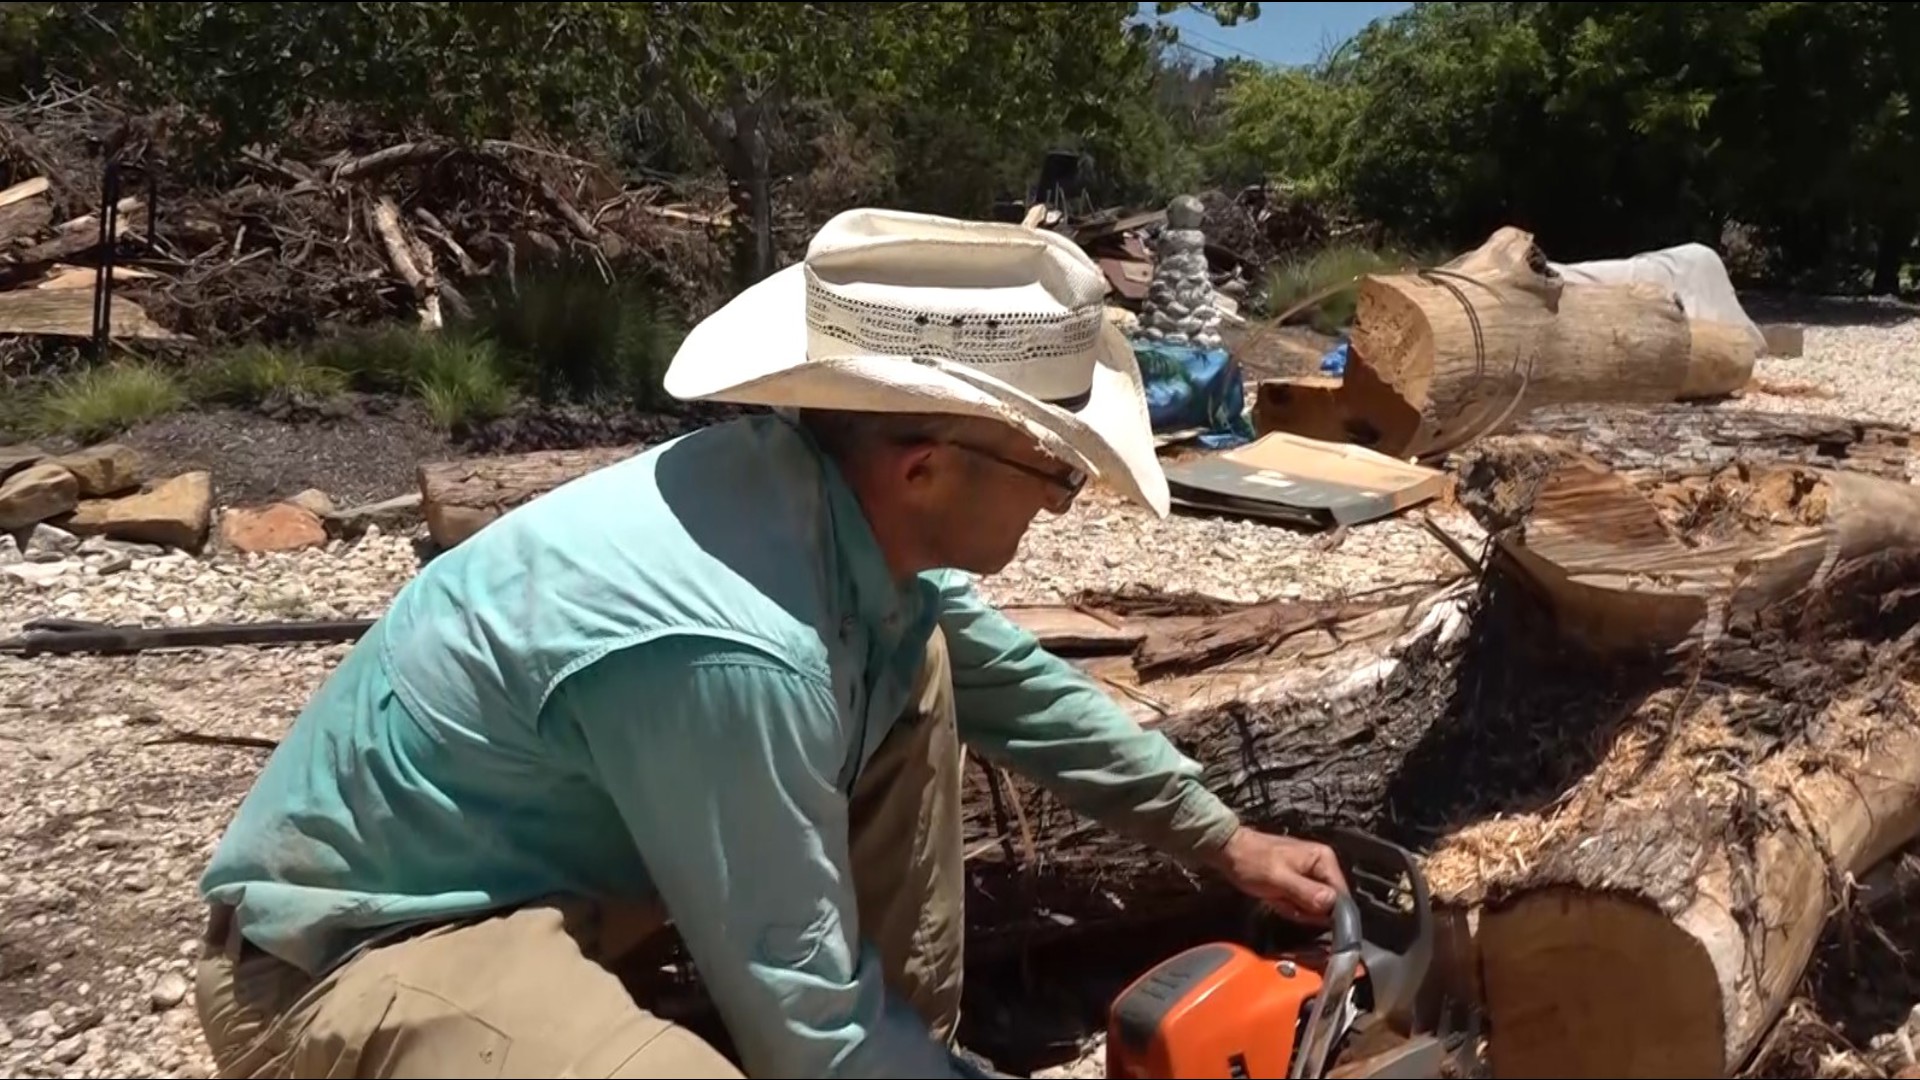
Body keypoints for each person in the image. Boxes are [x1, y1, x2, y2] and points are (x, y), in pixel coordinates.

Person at [190, 207, 1348, 1079]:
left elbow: (1017, 684)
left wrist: (1221, 838)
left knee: (933, 672)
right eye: (1053, 469)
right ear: (924, 466)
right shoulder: (741, 648)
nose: (1058, 503)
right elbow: (805, 1015)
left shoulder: (811, 506)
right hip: (350, 960)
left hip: (547, 886)